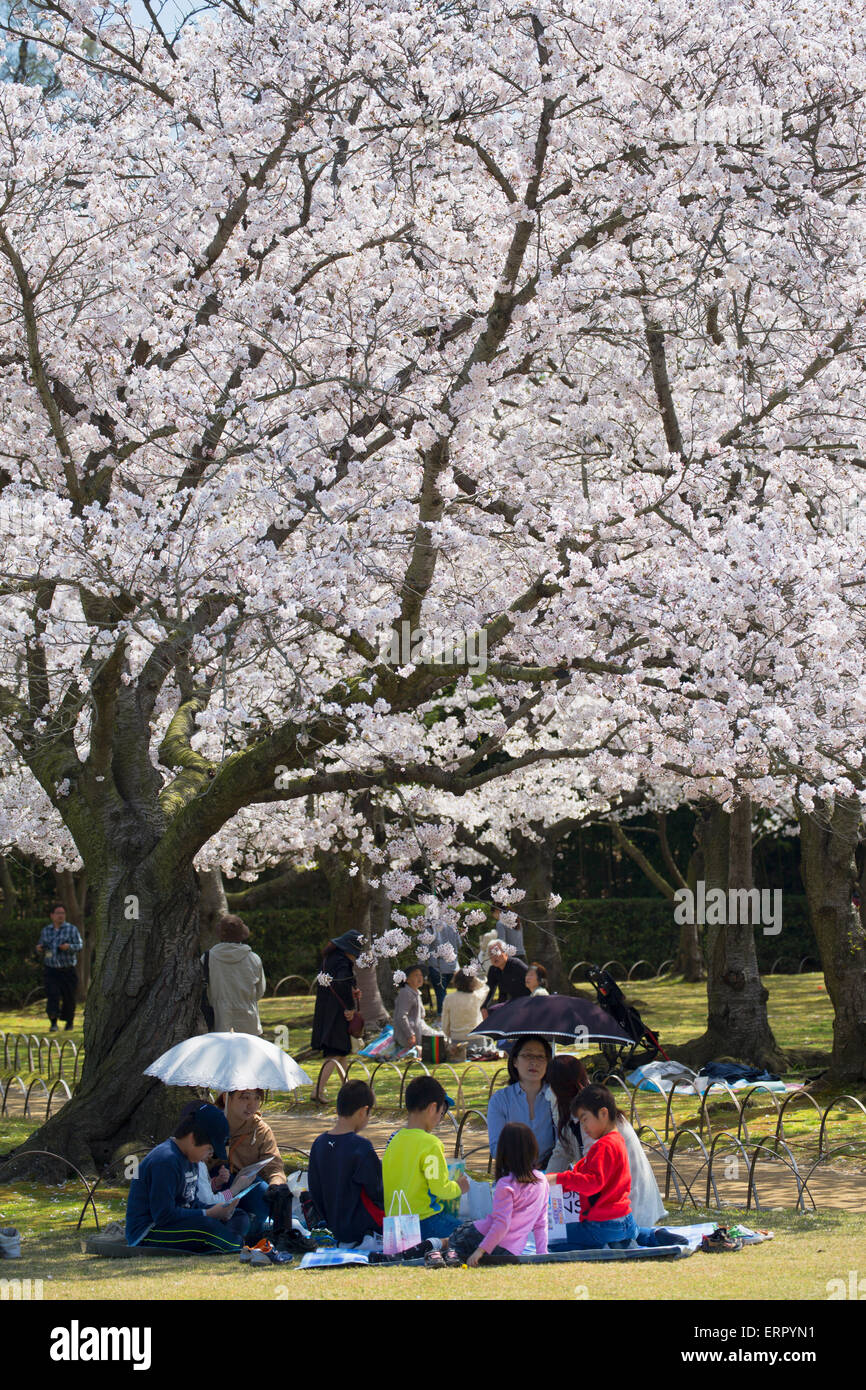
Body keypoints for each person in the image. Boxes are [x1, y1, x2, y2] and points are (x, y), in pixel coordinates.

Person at [545, 1057, 666, 1227]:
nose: (548, 1092)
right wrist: (541, 1185)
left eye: (551, 1085)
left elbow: (592, 1178)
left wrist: (556, 1179)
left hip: (624, 1209)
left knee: (569, 1238)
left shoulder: (593, 1121)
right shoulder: (584, 1110)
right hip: (617, 1209)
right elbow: (562, 1151)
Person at [125, 1102, 252, 1254]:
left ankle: (229, 1240)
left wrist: (217, 1211)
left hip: (179, 1222)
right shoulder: (166, 1161)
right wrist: (209, 1214)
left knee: (239, 1215)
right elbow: (164, 1215)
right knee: (206, 1229)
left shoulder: (192, 1160)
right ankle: (236, 1243)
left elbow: (191, 1203)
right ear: (192, 1139)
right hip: (150, 1232)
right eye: (209, 1149)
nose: (208, 1156)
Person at [545, 1084, 637, 1249]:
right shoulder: (617, 1140)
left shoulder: (603, 1146)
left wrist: (559, 1178)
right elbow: (586, 1174)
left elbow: (592, 1184)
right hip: (625, 1220)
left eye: (585, 1119)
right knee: (630, 1233)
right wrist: (561, 1182)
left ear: (603, 1113)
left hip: (603, 1225)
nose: (583, 1126)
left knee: (554, 1240)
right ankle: (642, 1237)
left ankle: (606, 1246)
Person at [449, 1122, 549, 1265]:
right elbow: (541, 1223)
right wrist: (542, 1255)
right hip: (511, 1252)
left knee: (456, 1238)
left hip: (483, 1239)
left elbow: (502, 1224)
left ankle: (432, 1245)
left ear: (504, 1152)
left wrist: (480, 1250)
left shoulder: (506, 1184)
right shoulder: (542, 1181)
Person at [382, 1076, 469, 1238]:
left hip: (394, 1225)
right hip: (425, 1222)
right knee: (476, 1234)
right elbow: (440, 1189)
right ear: (432, 1108)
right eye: (441, 1113)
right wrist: (459, 1187)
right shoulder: (430, 1144)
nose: (439, 1120)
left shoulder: (394, 1140)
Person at [308, 1080, 384, 1245]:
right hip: (360, 1228)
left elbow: (314, 1188)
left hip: (331, 1226)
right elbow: (377, 1191)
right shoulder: (361, 1147)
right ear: (364, 1111)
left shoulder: (319, 1143)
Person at [210, 1088, 287, 1245]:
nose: (252, 1105)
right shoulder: (210, 1123)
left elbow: (275, 1168)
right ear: (226, 1098)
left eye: (257, 1098)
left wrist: (276, 1186)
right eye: (245, 1098)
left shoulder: (260, 1130)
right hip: (212, 1187)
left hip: (247, 1188)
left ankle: (249, 1235)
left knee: (263, 1194)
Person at [310, 929, 364, 1104]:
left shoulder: (330, 958)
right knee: (334, 1052)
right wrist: (350, 1007)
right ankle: (318, 1090)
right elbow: (341, 985)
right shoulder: (342, 961)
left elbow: (343, 982)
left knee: (341, 1051)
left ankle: (347, 1089)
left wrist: (353, 989)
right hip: (337, 1013)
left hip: (326, 1010)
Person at [486, 1035, 555, 1167]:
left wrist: (544, 1166)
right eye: (527, 1055)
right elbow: (496, 1148)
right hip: (512, 1175)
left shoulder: (556, 1097)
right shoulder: (500, 1100)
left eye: (540, 1057)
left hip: (551, 1173)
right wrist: (522, 1168)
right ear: (515, 1061)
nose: (534, 1062)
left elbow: (563, 1143)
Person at [203, 914, 265, 1035]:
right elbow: (260, 991)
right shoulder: (253, 959)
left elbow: (205, 990)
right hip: (248, 1016)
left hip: (218, 1017)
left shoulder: (207, 958)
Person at [35, 903, 83, 1032]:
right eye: (58, 913)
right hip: (51, 970)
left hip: (67, 969)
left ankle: (69, 1022)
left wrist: (69, 947)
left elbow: (79, 945)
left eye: (63, 913)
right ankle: (53, 1023)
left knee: (69, 998)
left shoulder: (72, 929)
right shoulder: (46, 930)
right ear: (52, 915)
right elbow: (41, 945)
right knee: (52, 996)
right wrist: (39, 948)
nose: (61, 916)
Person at [480, 940, 530, 1017]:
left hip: (527, 1001)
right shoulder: (493, 970)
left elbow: (533, 981)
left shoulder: (516, 965)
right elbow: (489, 990)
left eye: (496, 952)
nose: (494, 957)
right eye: (491, 954)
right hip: (509, 1003)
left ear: (505, 952)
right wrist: (483, 1007)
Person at [393, 964, 436, 1051]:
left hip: (419, 1029)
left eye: (421, 975)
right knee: (442, 1039)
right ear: (407, 979)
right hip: (410, 1035)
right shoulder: (406, 993)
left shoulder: (414, 992)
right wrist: (410, 1035)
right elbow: (401, 1016)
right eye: (416, 975)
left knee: (444, 1037)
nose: (420, 978)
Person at [441, 970, 485, 1052]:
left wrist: (448, 1037)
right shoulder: (478, 996)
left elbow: (445, 1025)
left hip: (457, 1039)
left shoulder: (449, 998)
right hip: (477, 1039)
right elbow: (484, 986)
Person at [428, 919, 460, 1018]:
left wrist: (421, 965)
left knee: (440, 993)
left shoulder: (430, 925)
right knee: (443, 992)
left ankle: (442, 1018)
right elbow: (459, 943)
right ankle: (449, 1016)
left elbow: (424, 945)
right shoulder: (452, 924)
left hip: (437, 964)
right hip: (451, 963)